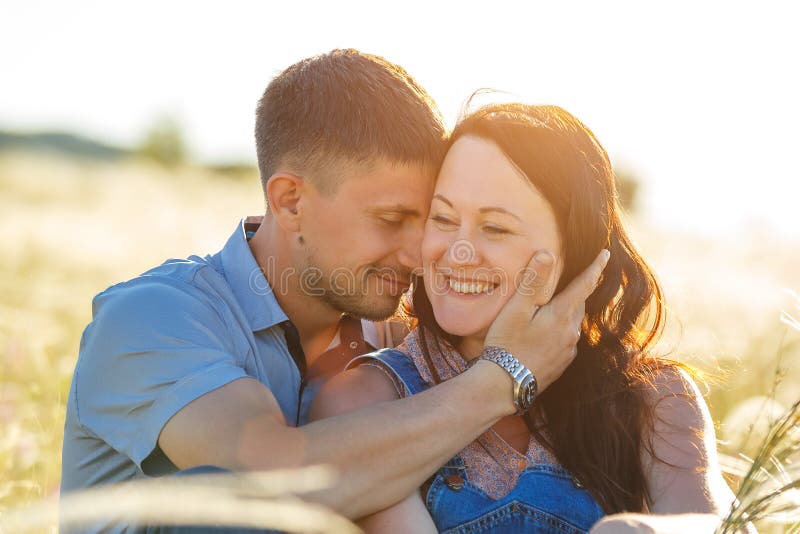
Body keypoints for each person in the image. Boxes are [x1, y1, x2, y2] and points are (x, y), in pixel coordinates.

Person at [60, 50, 608, 532]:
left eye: (429, 220)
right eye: (392, 218)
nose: (420, 255)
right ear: (291, 200)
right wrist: (504, 376)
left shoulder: (400, 338)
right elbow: (279, 487)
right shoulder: (150, 318)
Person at [310, 103, 740, 533]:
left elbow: (720, 522)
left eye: (495, 228)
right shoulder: (364, 400)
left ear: (574, 249)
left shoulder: (652, 398)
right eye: (443, 218)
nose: (458, 252)